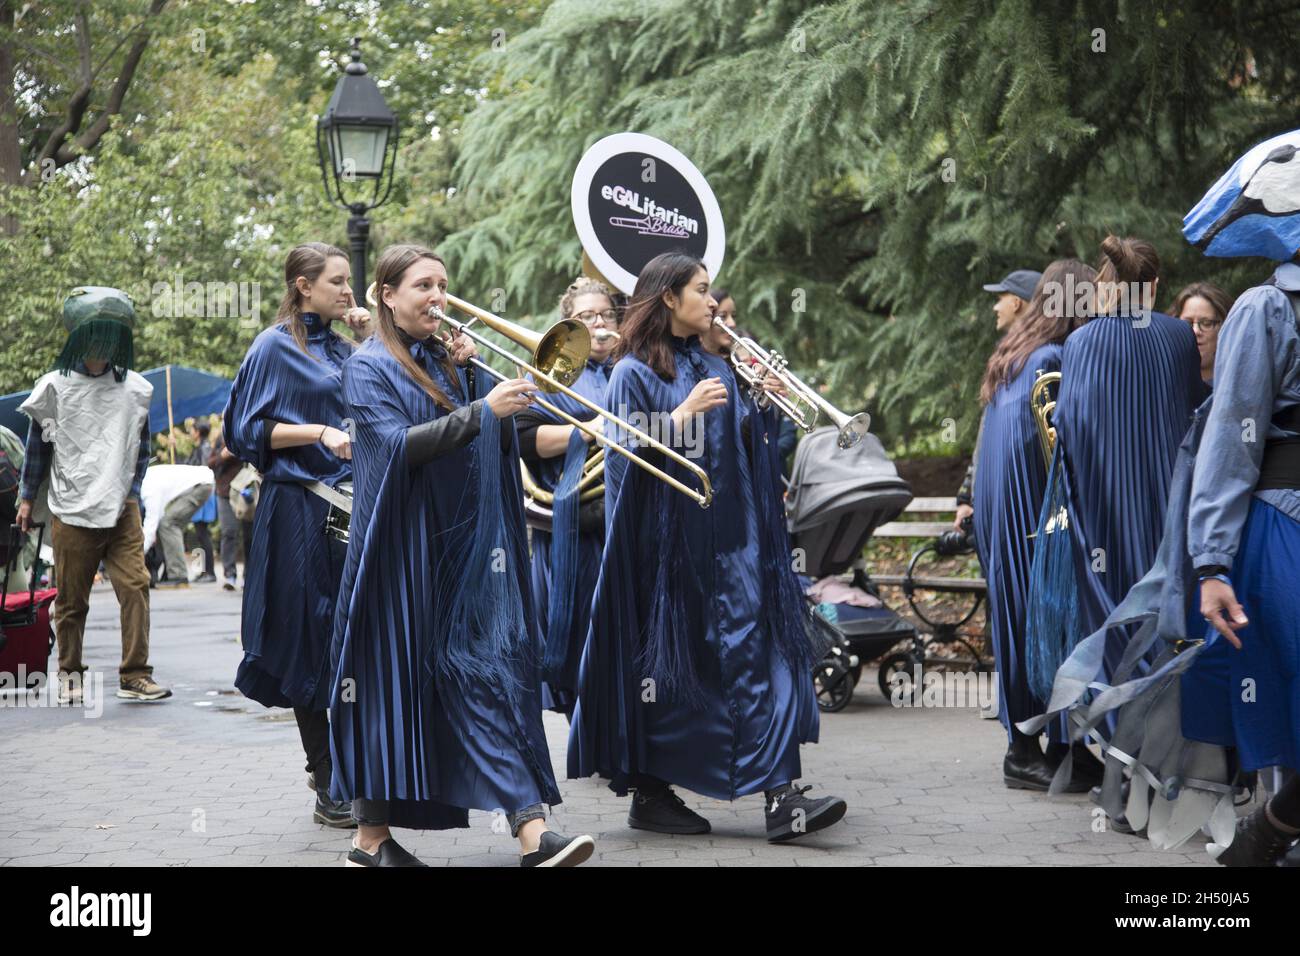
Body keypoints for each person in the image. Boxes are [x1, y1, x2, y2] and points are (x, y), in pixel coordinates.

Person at [329, 243, 595, 867]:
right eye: (423, 286)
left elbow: (490, 440)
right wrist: (480, 408)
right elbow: (395, 449)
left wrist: (473, 380)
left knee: (485, 680)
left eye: (443, 285)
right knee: (388, 692)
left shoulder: (451, 363)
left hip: (461, 553)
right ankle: (369, 842)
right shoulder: (366, 367)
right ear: (387, 296)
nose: (438, 298)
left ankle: (533, 831)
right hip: (397, 556)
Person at [568, 251, 846, 843]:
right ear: (669, 298)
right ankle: (650, 792)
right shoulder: (631, 373)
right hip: (668, 557)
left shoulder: (712, 364)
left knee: (758, 658)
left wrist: (763, 407)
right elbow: (622, 457)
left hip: (734, 547)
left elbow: (741, 451)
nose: (713, 300)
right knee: (676, 680)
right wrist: (676, 418)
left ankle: (781, 794)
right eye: (702, 289)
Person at [223, 242, 370, 828]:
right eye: (336, 282)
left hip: (354, 507)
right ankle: (326, 777)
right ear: (303, 286)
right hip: (298, 510)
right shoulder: (273, 346)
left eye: (350, 282)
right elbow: (243, 430)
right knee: (308, 636)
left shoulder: (345, 344)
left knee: (353, 635)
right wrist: (318, 433)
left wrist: (372, 333)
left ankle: (355, 769)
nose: (347, 291)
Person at [970, 260, 1100, 791]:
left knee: (1022, 622)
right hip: (1036, 515)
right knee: (1049, 623)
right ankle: (1030, 752)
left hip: (1005, 516)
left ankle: (1040, 747)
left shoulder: (1016, 357)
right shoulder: (1053, 357)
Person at [15, 286, 171, 703]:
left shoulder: (134, 389)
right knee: (71, 599)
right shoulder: (55, 387)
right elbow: (37, 448)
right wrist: (27, 500)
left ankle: (135, 673)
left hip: (121, 508)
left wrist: (131, 493)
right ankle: (70, 674)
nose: (102, 342)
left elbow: (142, 449)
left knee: (136, 586)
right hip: (71, 507)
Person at [515, 275, 618, 718]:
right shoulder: (550, 373)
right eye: (586, 317)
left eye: (606, 314)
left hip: (620, 512)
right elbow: (522, 438)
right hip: (575, 516)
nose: (598, 323)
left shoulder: (630, 366)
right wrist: (588, 432)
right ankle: (591, 723)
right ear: (567, 326)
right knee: (582, 625)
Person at [955, 267, 1043, 529]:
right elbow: (987, 430)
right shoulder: (1007, 358)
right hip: (993, 505)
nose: (995, 307)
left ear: (1016, 302)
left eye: (1000, 298)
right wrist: (967, 494)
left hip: (1021, 508)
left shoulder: (1039, 358)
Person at [140, 463, 215, 588]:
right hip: (201, 482)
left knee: (168, 524)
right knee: (166, 523)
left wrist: (137, 555)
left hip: (201, 485)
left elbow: (151, 526)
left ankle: (178, 575)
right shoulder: (146, 478)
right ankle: (167, 573)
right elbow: (158, 516)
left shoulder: (148, 489)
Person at [207, 426, 252, 591]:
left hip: (246, 492)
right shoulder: (221, 437)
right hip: (225, 492)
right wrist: (223, 455)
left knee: (250, 535)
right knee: (229, 532)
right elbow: (210, 462)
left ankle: (249, 575)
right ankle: (230, 574)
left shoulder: (248, 432)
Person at [1168, 282, 1234, 384]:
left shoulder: (1238, 387)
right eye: (1187, 323)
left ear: (1225, 327)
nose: (1195, 331)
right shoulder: (1161, 385)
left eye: (1206, 323)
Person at [185, 420, 217, 583]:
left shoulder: (204, 449)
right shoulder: (199, 448)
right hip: (200, 492)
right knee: (200, 533)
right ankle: (204, 571)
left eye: (192, 430)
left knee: (202, 533)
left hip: (203, 492)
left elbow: (203, 469)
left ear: (198, 431)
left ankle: (210, 572)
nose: (191, 433)